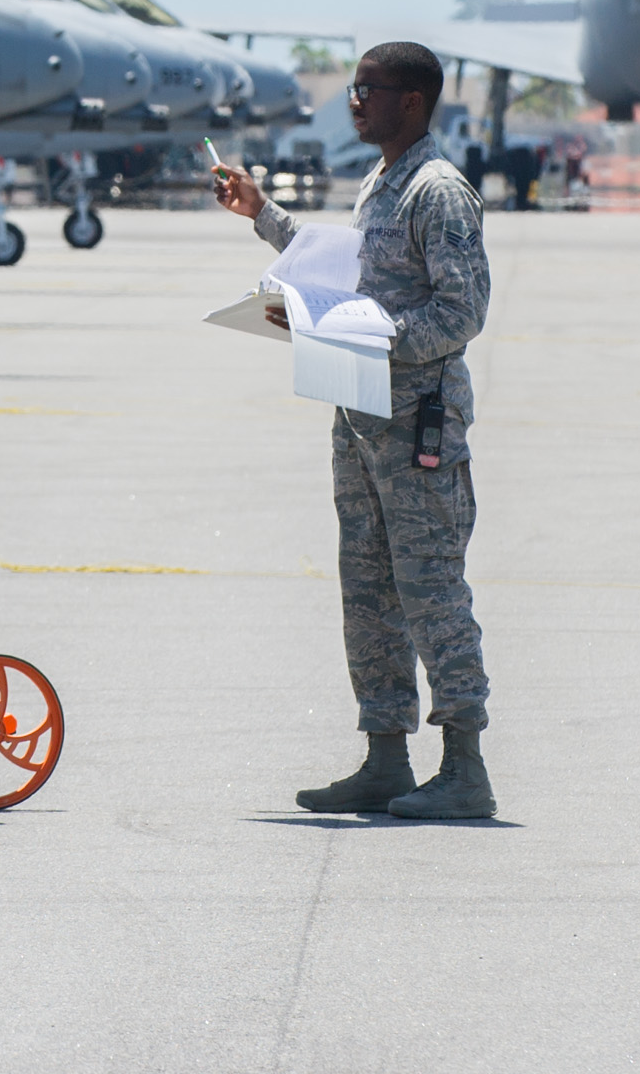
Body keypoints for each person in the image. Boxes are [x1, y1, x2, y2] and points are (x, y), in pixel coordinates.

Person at [215, 41, 497, 820]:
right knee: (369, 592)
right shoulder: (384, 183)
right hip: (363, 414)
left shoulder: (438, 190)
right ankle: (385, 756)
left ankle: (465, 766)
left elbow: (461, 312)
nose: (354, 101)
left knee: (430, 588)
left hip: (417, 425)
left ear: (412, 100)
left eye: (367, 89)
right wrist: (262, 215)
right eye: (354, 88)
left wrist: (364, 335)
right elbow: (347, 267)